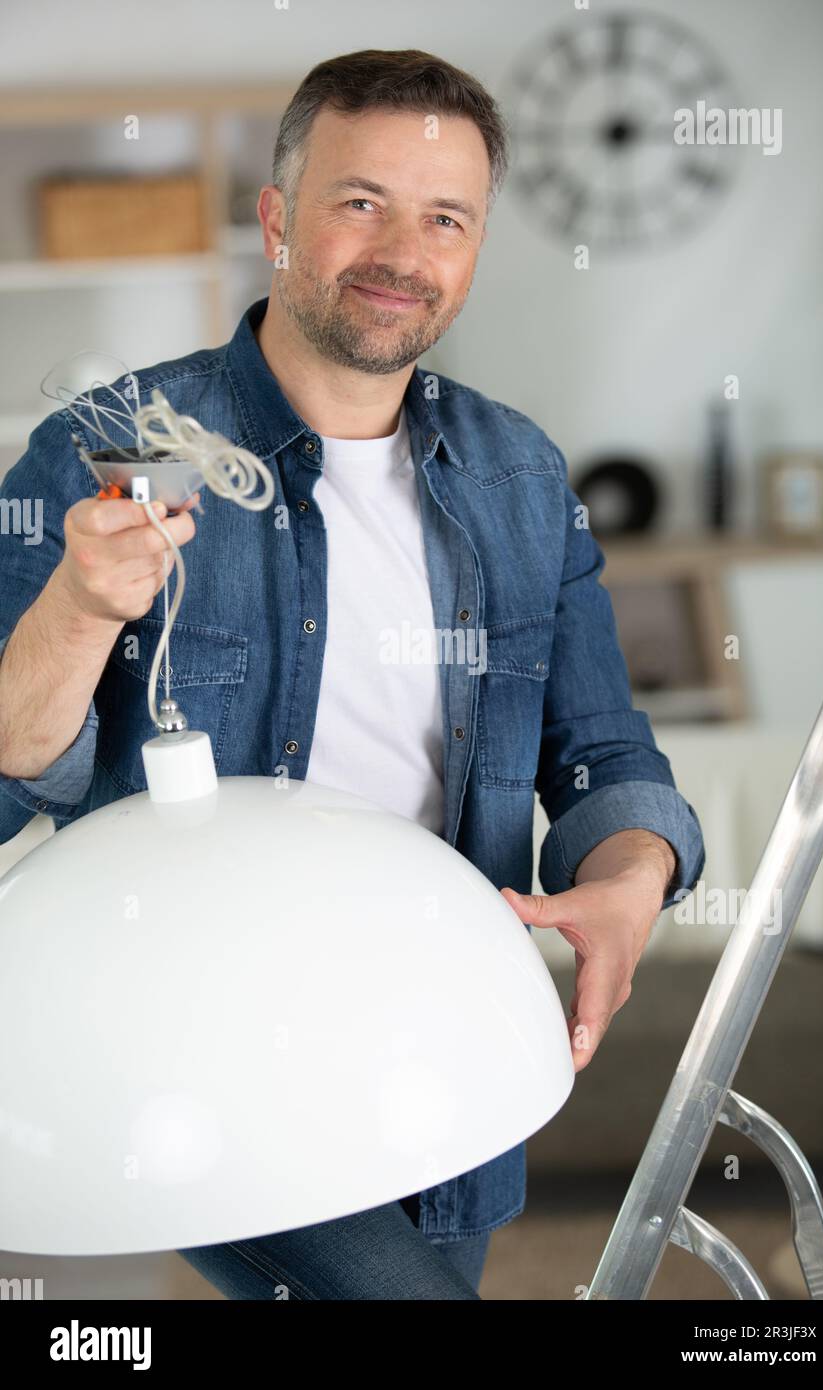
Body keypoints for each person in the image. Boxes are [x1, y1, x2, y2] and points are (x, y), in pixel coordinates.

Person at [0, 49, 704, 1300]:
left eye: (445, 218)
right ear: (276, 219)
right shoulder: (107, 449)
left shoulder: (520, 480)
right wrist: (74, 609)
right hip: (196, 1043)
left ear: (476, 245)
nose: (401, 251)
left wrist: (629, 878)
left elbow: (601, 750)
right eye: (359, 201)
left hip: (438, 1033)